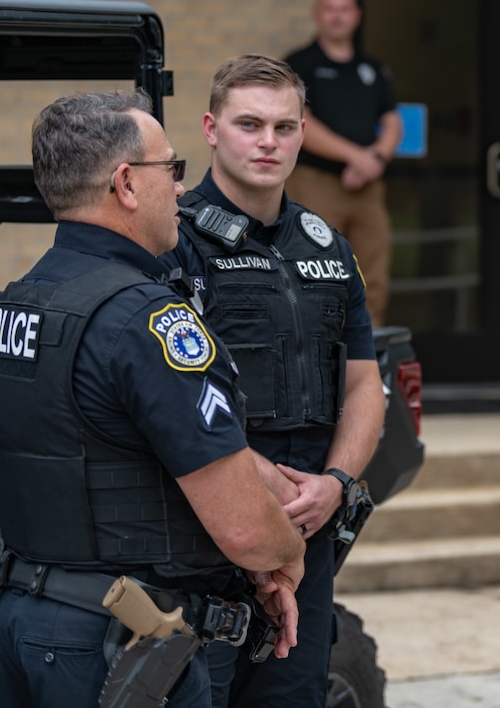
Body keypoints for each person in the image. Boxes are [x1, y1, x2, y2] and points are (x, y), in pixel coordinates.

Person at [0, 90, 307, 708]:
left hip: (22, 620)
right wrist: (289, 554)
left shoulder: (18, 301)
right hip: (120, 643)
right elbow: (244, 529)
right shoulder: (146, 320)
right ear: (127, 184)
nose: (182, 190)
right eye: (172, 169)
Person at [163, 54, 385, 707]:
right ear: (210, 127)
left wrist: (335, 483)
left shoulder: (328, 247)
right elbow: (168, 401)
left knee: (293, 695)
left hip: (306, 528)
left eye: (285, 127)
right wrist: (268, 484)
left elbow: (364, 384)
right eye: (249, 124)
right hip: (206, 532)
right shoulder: (173, 243)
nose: (268, 142)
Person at [284, 0, 401, 327]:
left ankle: (371, 360)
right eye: (330, 9)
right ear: (317, 15)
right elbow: (300, 121)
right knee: (315, 269)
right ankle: (318, 355)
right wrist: (357, 157)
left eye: (344, 9)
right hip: (316, 184)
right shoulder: (298, 65)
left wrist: (375, 160)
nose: (337, 17)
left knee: (373, 274)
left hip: (367, 188)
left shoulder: (373, 69)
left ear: (357, 16)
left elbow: (392, 121)